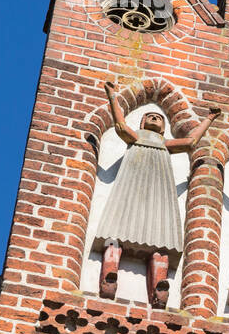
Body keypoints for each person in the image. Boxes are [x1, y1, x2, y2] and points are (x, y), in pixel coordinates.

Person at [93, 81, 220, 307]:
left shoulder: (165, 143)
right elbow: (121, 127)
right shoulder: (137, 137)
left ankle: (159, 286)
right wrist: (112, 96)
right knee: (117, 230)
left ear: (164, 128)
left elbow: (191, 142)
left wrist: (209, 119)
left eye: (159, 118)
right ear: (141, 123)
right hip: (131, 185)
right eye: (150, 117)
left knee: (160, 240)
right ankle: (110, 274)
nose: (154, 119)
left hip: (159, 190)